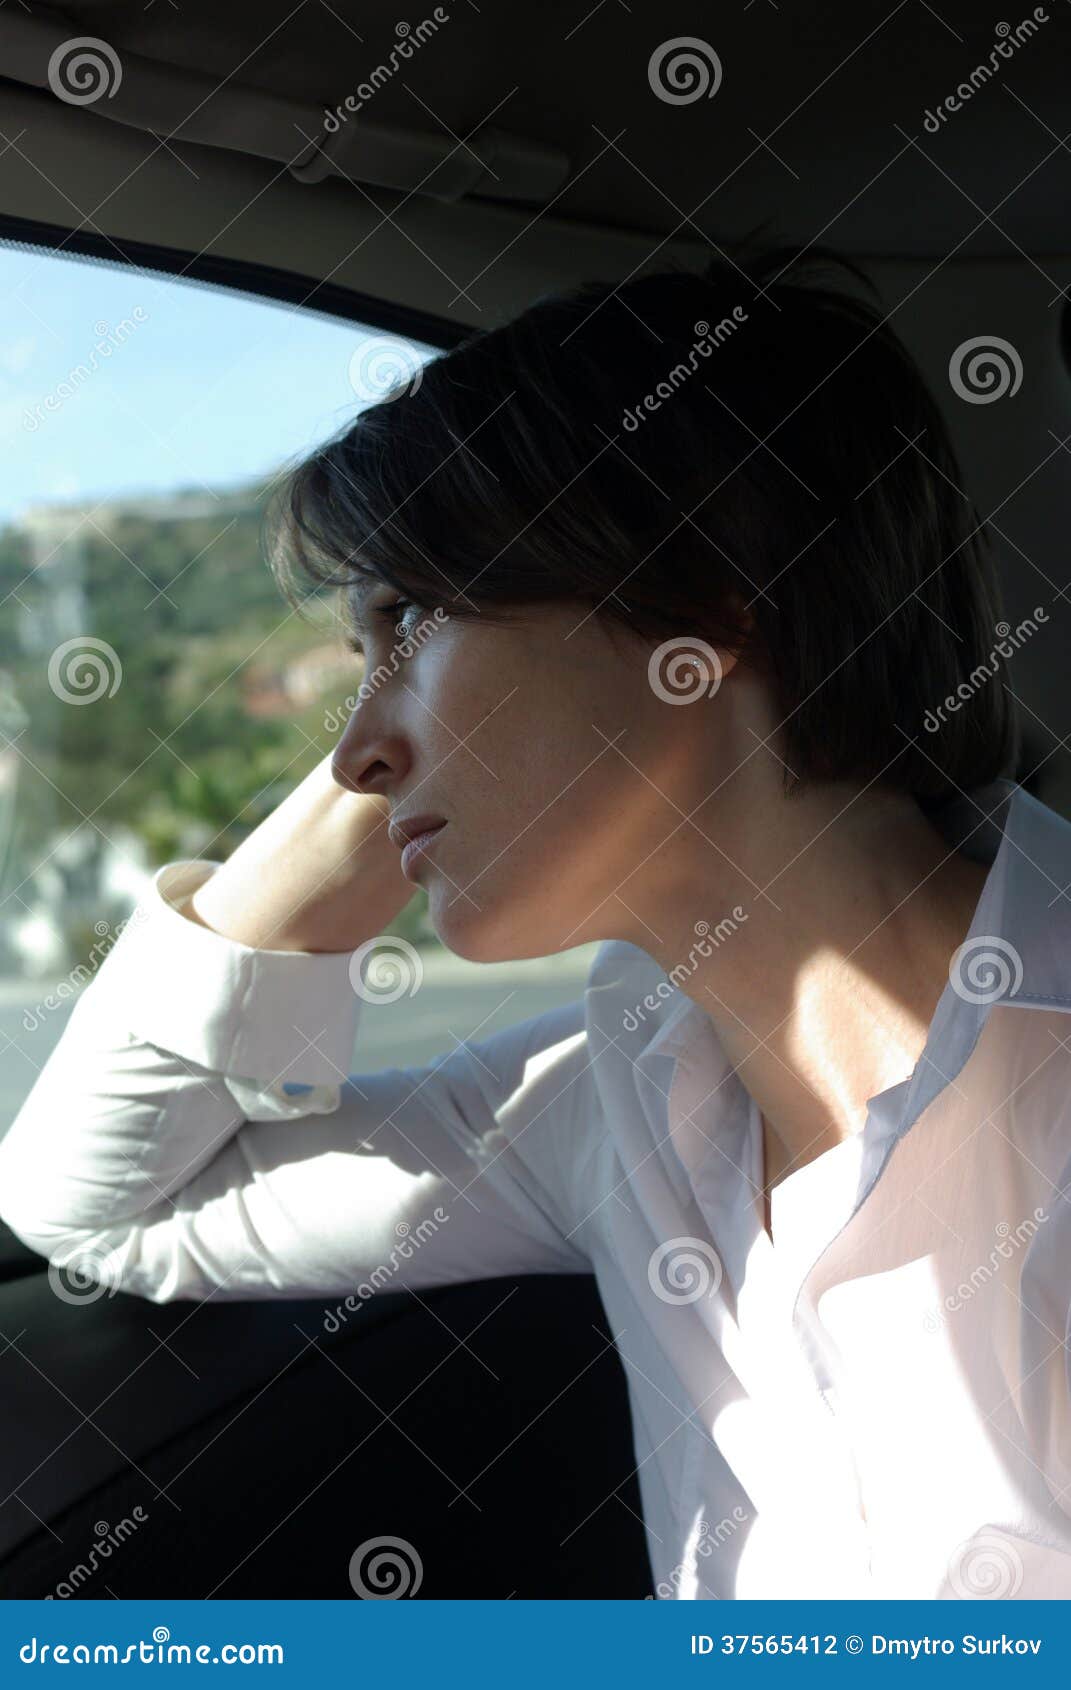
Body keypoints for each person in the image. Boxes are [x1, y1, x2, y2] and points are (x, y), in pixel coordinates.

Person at [2, 239, 1069, 1599]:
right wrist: (398, 781)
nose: (349, 750)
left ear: (701, 598)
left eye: (410, 621)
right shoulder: (609, 1098)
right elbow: (99, 1211)